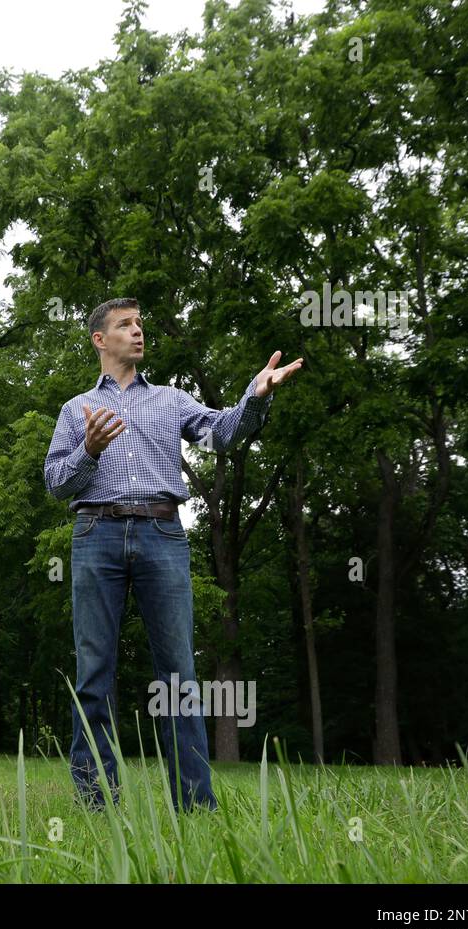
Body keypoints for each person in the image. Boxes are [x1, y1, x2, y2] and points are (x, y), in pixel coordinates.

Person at [43, 298, 302, 811]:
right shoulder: (76, 410)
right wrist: (88, 450)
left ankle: (196, 806)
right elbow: (56, 482)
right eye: (125, 325)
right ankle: (97, 805)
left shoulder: (170, 399)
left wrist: (255, 397)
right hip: (95, 532)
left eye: (140, 323)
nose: (138, 332)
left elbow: (222, 433)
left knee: (179, 675)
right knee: (94, 672)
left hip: (163, 534)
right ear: (100, 339)